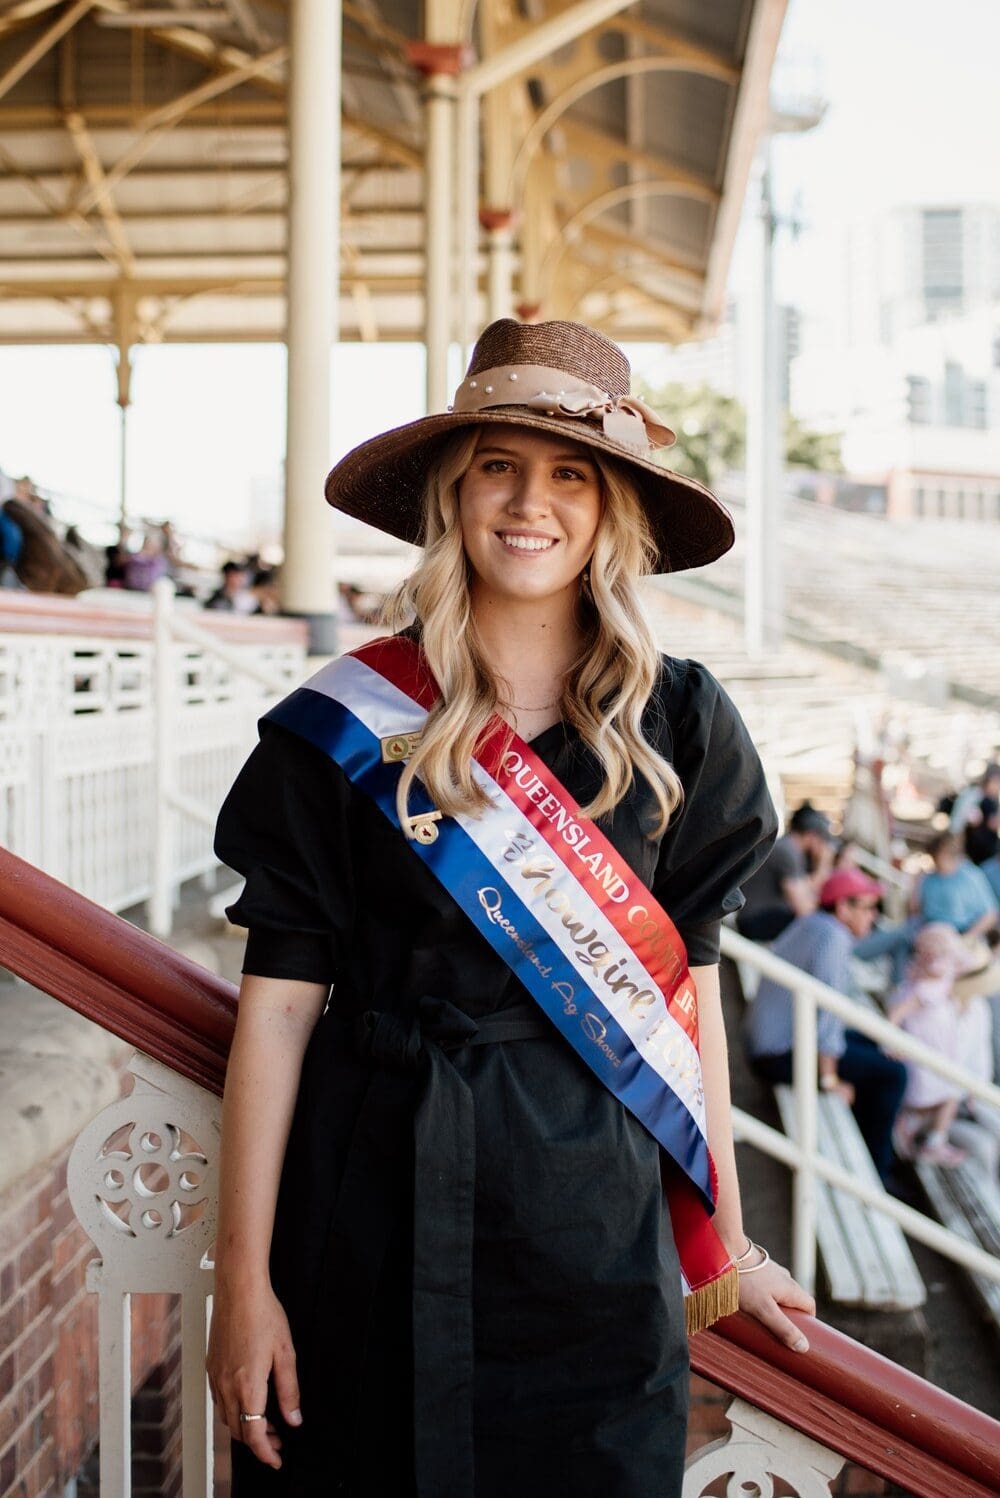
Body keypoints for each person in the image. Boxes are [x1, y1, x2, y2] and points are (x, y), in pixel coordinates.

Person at [208, 318, 815, 1495]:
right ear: (453, 491)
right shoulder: (342, 728)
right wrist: (244, 1282)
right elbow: (277, 1013)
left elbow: (684, 1005)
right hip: (366, 1201)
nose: (529, 501)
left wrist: (724, 1246)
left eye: (569, 473)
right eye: (498, 463)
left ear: (610, 511)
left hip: (586, 1231)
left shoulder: (680, 729)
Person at [744, 867, 908, 1185]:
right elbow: (827, 1022)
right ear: (843, 907)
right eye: (866, 907)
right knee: (893, 1075)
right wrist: (829, 1080)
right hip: (777, 1056)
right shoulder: (833, 936)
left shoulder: (815, 924)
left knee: (876, 1049)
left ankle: (880, 1152)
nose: (873, 917)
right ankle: (878, 1175)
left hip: (772, 1043)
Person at [888, 924, 982, 1165]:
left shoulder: (937, 982)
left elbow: (965, 963)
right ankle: (932, 1142)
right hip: (925, 1055)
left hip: (938, 1052)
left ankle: (914, 1129)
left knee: (946, 1093)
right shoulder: (923, 989)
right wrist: (890, 1039)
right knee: (948, 1093)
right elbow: (896, 1014)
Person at [736, 801, 836, 941]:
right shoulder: (787, 851)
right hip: (754, 921)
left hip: (756, 918)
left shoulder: (789, 849)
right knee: (818, 927)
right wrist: (825, 863)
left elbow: (805, 892)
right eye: (822, 840)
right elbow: (804, 909)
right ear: (812, 836)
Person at [916, 832, 999, 939]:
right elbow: (917, 912)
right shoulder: (929, 878)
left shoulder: (971, 876)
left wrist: (967, 938)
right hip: (932, 932)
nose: (936, 863)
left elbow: (990, 915)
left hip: (962, 934)